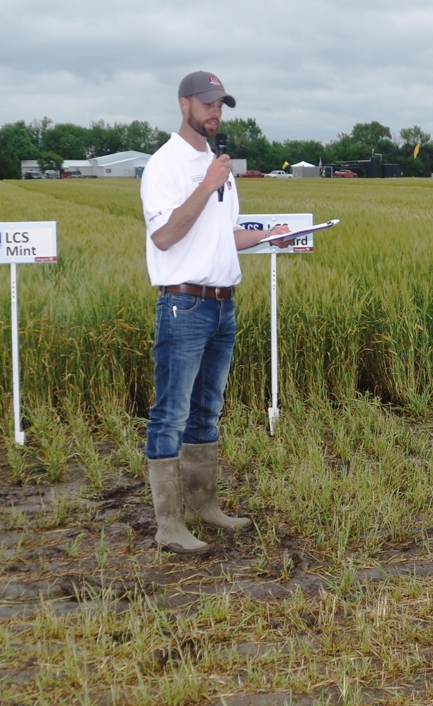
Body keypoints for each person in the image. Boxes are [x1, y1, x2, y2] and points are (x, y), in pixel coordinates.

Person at [140, 70, 290, 554]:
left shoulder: (216, 164)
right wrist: (206, 185)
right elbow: (164, 236)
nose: (214, 112)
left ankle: (205, 506)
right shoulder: (165, 165)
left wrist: (268, 234)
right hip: (183, 305)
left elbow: (223, 236)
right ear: (183, 103)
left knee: (207, 412)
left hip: (223, 306)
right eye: (206, 103)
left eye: (220, 104)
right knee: (172, 414)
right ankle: (169, 525)